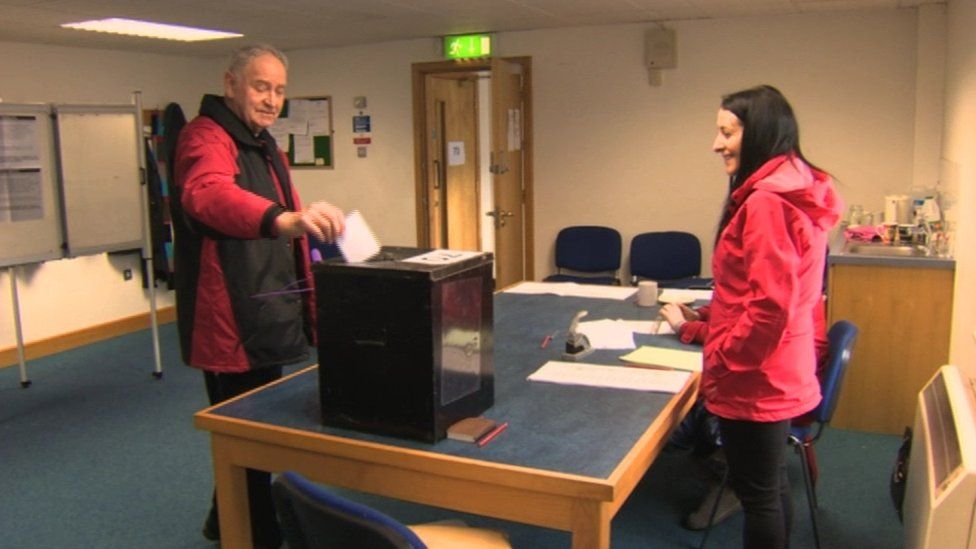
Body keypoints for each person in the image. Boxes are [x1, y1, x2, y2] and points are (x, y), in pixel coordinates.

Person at [170, 44, 346, 547]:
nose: (272, 99)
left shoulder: (263, 142)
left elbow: (270, 210)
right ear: (231, 85)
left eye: (280, 89)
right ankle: (251, 534)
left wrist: (300, 212)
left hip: (265, 304)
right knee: (245, 438)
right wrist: (281, 218)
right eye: (260, 86)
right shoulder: (206, 136)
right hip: (231, 317)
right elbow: (206, 193)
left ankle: (224, 519)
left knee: (254, 435)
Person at [701, 85, 842, 548]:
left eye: (727, 132)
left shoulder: (765, 202)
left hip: (757, 373)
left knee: (758, 493)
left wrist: (725, 355)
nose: (716, 144)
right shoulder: (794, 189)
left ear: (757, 131)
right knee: (771, 484)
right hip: (780, 365)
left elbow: (769, 308)